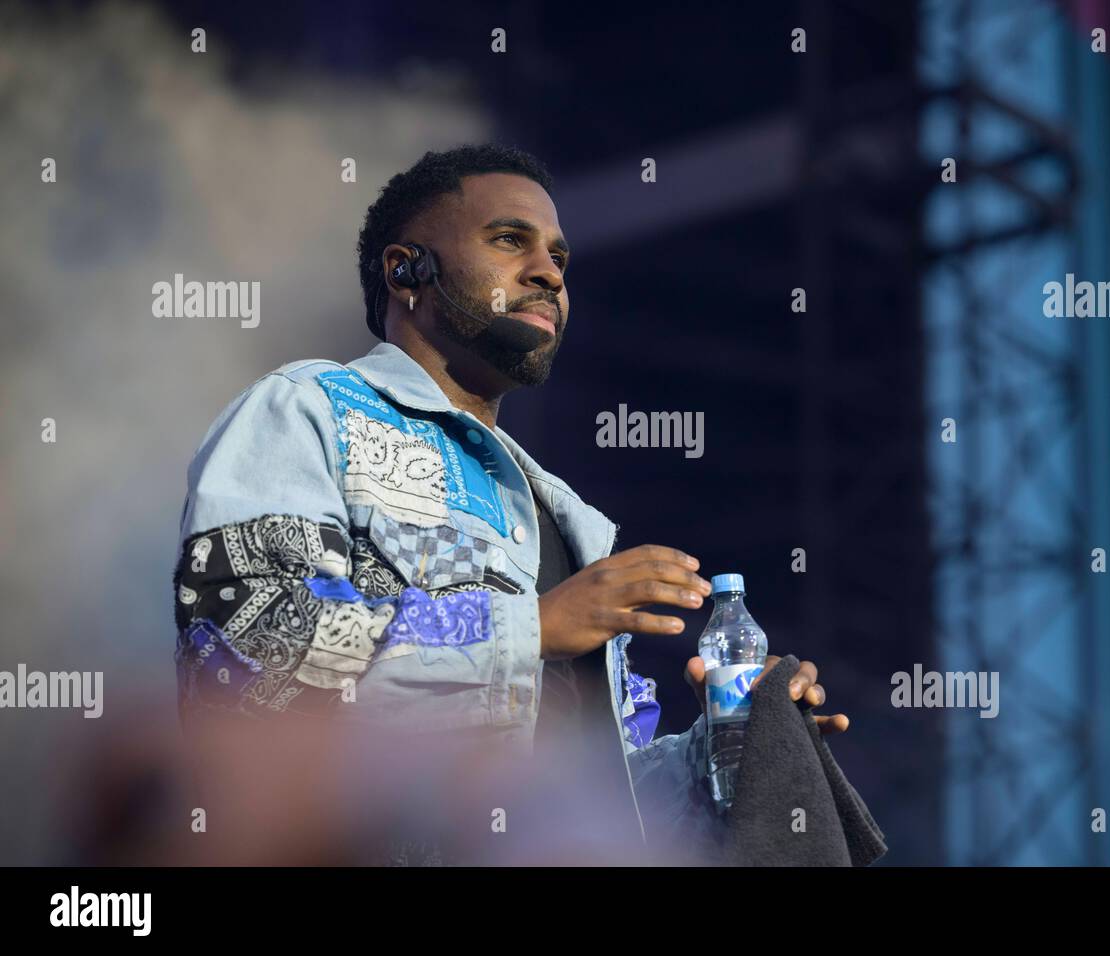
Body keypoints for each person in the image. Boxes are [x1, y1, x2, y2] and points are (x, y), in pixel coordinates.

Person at [172, 143, 847, 865]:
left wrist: (730, 742)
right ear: (406, 272)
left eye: (560, 258)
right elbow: (244, 650)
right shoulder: (307, 409)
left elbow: (592, 796)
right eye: (508, 240)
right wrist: (532, 629)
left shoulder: (570, 520)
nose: (547, 274)